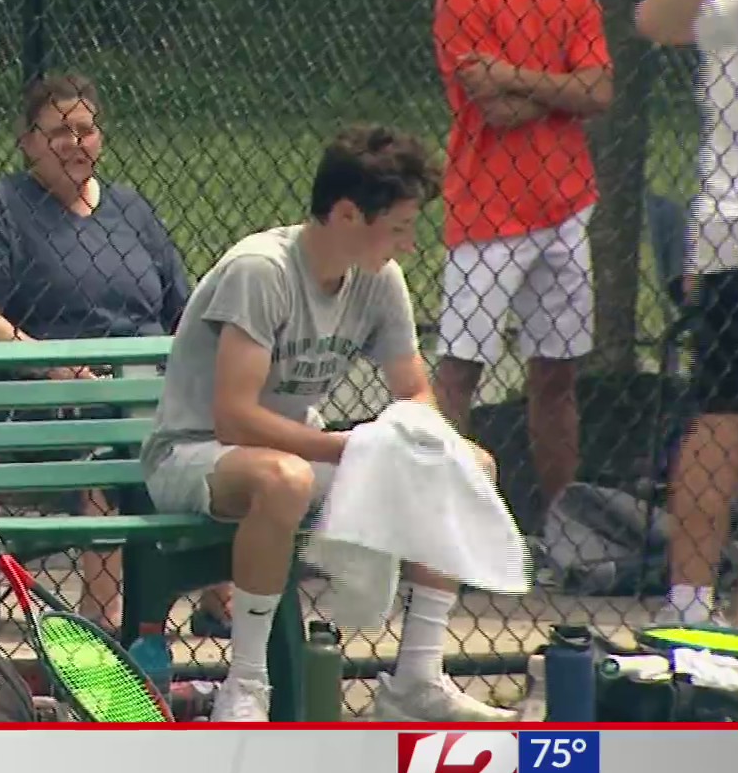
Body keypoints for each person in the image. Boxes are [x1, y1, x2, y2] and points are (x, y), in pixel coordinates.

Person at [141, 124, 515, 724]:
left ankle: (416, 679)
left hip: (293, 453)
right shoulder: (260, 271)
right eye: (397, 228)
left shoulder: (380, 280)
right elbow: (233, 417)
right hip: (196, 454)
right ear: (346, 215)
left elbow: (413, 390)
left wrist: (415, 443)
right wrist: (349, 449)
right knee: (284, 480)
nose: (408, 244)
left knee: (466, 465)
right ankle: (246, 688)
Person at [0, 71, 230, 634]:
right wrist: (48, 362)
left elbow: (181, 312)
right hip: (47, 395)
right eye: (57, 133)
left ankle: (223, 597)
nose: (74, 143)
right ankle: (108, 616)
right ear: (27, 143)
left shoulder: (130, 209)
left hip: (150, 383)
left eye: (85, 130)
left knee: (226, 416)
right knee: (110, 419)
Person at [430, 0, 613, 525]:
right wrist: (556, 88)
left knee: (556, 375)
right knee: (459, 370)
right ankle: (440, 526)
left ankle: (562, 528)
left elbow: (599, 92)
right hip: (487, 211)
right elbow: (495, 110)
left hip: (565, 206)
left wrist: (512, 74)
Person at [635, 0, 738, 631]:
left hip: (729, 234)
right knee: (723, 418)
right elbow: (657, 19)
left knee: (725, 419)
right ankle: (691, 616)